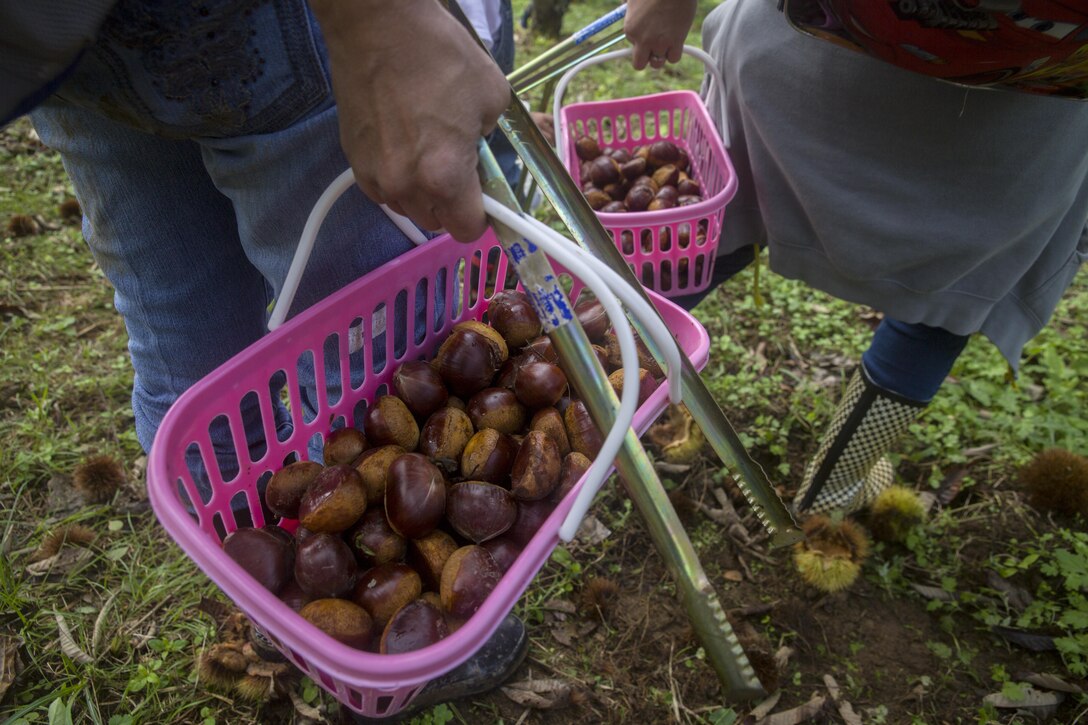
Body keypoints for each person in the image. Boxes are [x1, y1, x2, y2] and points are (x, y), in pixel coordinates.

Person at [0, 0, 685, 719]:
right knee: (370, 328)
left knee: (175, 313)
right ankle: (331, 631)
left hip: (72, 49)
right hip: (245, 33)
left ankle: (261, 589)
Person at [687, 0, 1088, 515]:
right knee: (955, 289)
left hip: (799, 60)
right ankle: (829, 497)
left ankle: (600, 381)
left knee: (719, 222)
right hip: (1026, 128)